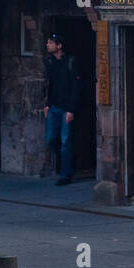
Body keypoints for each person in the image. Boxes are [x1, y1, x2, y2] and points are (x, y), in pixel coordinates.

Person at [44, 33, 81, 186]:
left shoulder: (71, 62)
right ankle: (66, 162)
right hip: (53, 107)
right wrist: (47, 104)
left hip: (66, 108)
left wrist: (71, 109)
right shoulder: (51, 62)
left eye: (50, 42)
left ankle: (66, 173)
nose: (47, 45)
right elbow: (50, 84)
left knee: (66, 141)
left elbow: (76, 87)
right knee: (51, 138)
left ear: (59, 46)